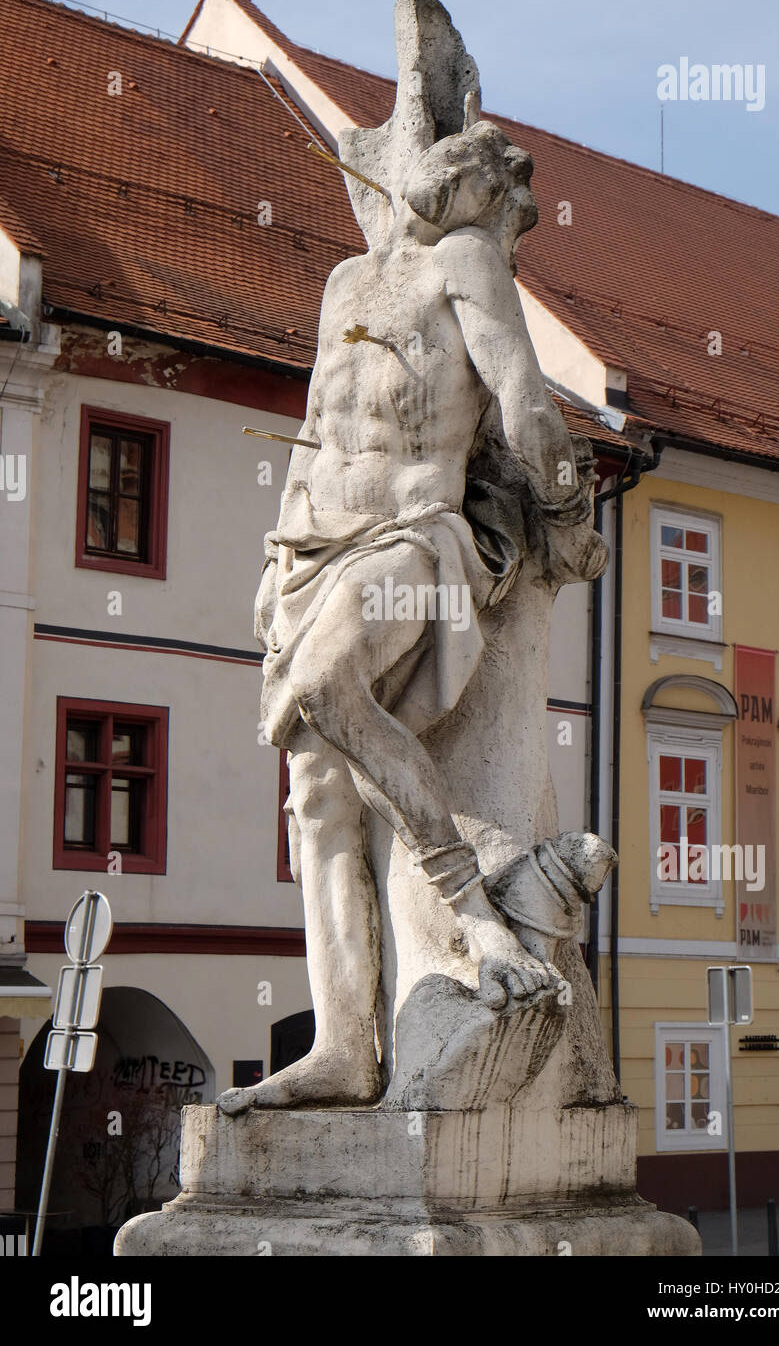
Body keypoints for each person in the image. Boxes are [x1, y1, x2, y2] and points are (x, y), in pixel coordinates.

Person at [218, 123, 590, 1114]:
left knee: (329, 688)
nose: (443, 172)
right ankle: (347, 1044)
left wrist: (564, 512)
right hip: (313, 548)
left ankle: (475, 917)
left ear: (477, 196)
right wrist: (275, 553)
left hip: (413, 544)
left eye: (471, 166)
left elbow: (521, 400)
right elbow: (314, 427)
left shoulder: (465, 263)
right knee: (319, 795)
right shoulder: (345, 281)